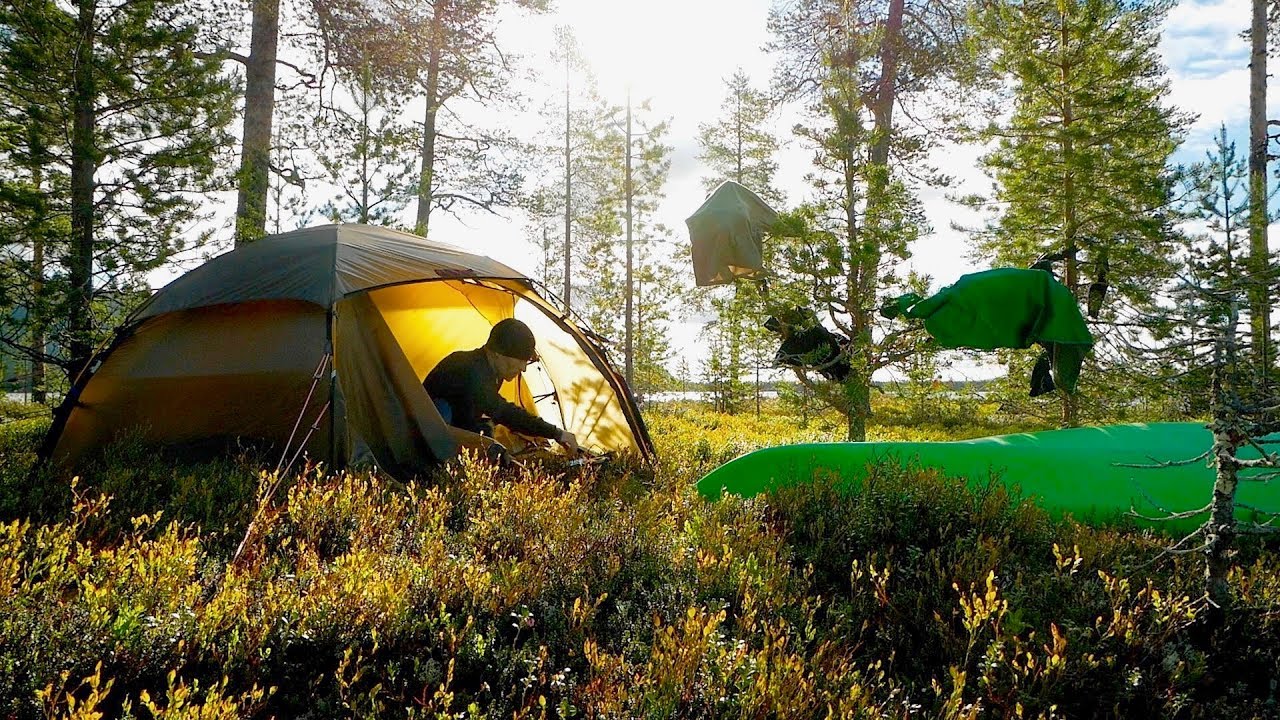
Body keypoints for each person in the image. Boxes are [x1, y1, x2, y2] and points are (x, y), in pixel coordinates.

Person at [423, 318, 579, 457]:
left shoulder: (490, 369)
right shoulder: (469, 369)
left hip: (454, 425)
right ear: (498, 353)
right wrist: (556, 433)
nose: (524, 368)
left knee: (486, 429)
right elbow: (505, 412)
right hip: (424, 436)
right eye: (520, 360)